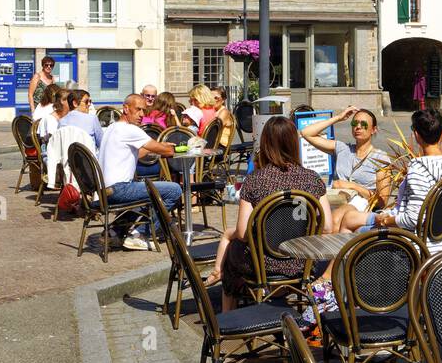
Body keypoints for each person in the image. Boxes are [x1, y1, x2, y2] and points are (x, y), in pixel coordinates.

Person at [204, 117, 332, 311]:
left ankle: (227, 317)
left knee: (231, 253)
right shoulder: (311, 178)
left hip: (261, 264)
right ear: (293, 143)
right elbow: (328, 227)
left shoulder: (254, 180)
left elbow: (243, 233)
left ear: (265, 144)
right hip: (301, 262)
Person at [329, 107, 442, 253]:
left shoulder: (420, 169)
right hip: (439, 240)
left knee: (352, 227)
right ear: (441, 133)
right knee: (349, 218)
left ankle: (340, 273)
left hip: (412, 239)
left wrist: (386, 220)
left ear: (416, 135)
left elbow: (412, 218)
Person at [96, 93, 183, 251]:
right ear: (126, 108)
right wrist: (171, 148)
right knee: (174, 190)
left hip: (104, 191)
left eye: (144, 110)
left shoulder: (112, 128)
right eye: (138, 110)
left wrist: (159, 149)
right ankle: (138, 234)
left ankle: (115, 231)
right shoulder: (130, 130)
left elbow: (137, 152)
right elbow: (166, 151)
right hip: (119, 189)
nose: (142, 115)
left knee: (145, 194)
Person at [300, 105, 392, 208]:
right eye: (354, 123)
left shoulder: (381, 158)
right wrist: (339, 117)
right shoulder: (342, 149)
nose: (358, 126)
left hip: (361, 210)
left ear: (373, 130)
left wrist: (352, 187)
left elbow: (382, 201)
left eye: (364, 124)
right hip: (335, 204)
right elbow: (306, 133)